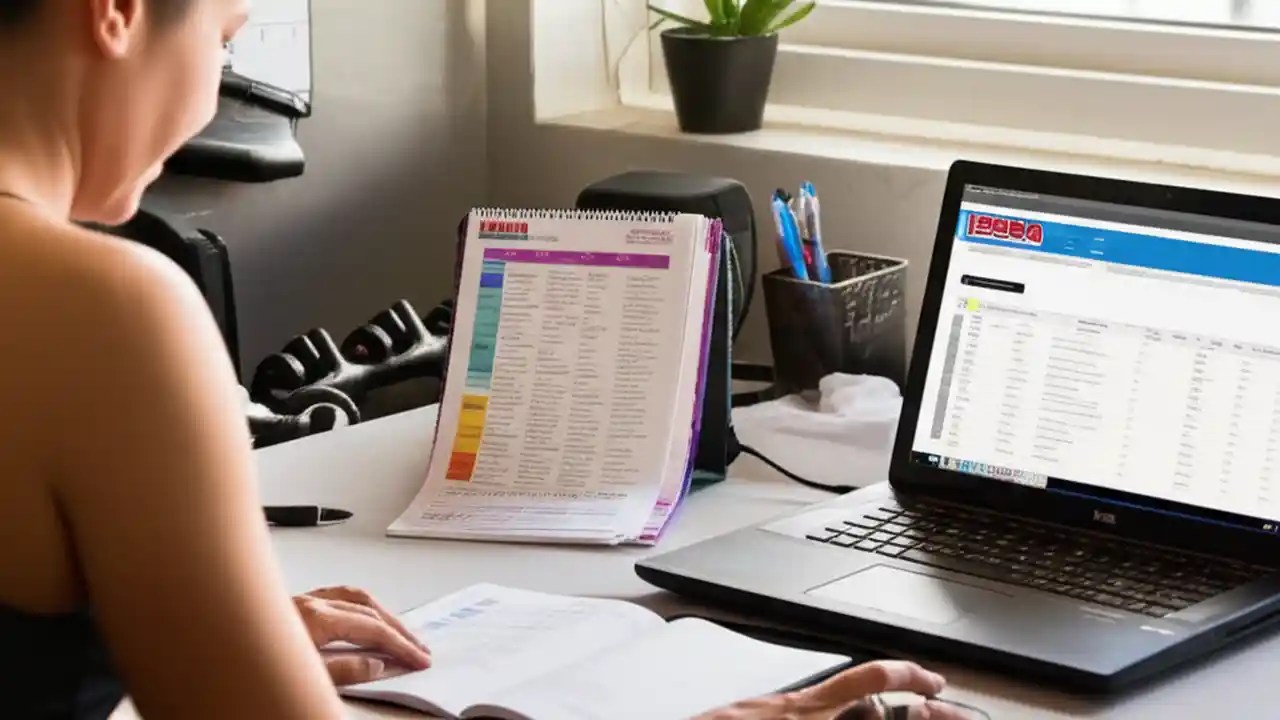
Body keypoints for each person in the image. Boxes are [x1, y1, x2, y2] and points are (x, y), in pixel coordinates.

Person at [0, 1, 967, 718]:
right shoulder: (106, 311)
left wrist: (201, 631)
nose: (213, 88)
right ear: (118, 12)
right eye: (222, 38)